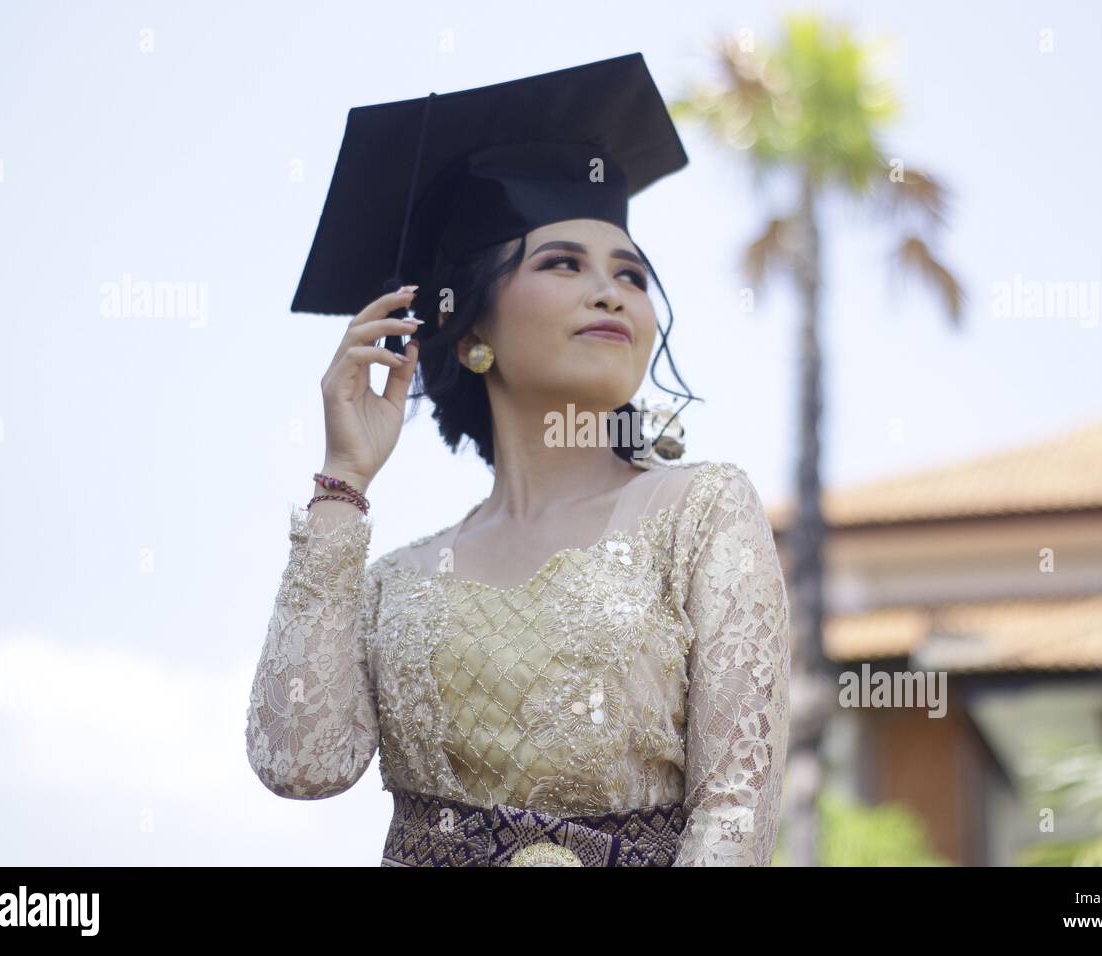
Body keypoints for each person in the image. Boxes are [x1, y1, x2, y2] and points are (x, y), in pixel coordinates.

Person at [244, 53, 791, 867]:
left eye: (631, 275)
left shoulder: (701, 511)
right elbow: (299, 764)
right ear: (471, 331)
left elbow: (735, 815)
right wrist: (344, 480)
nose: (610, 292)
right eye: (562, 263)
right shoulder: (396, 581)